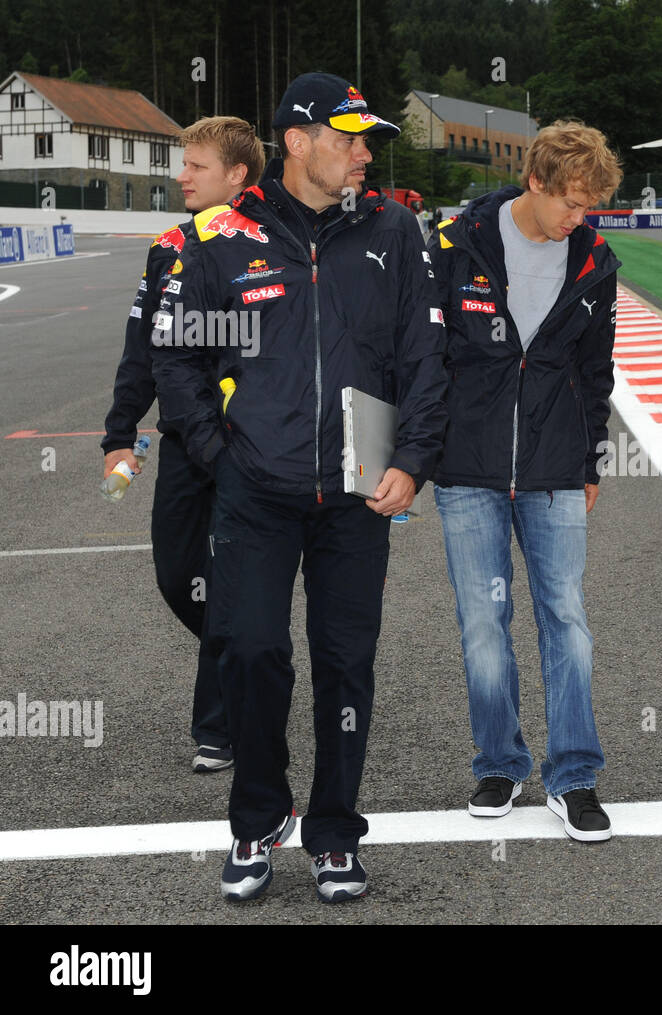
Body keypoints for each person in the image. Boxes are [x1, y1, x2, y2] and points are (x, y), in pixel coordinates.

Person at [153, 72, 447, 901]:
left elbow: (426, 359)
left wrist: (412, 458)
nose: (363, 153)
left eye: (366, 141)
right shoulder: (219, 235)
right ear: (296, 141)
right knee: (248, 649)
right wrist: (218, 450)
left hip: (360, 489)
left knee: (347, 663)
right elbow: (176, 356)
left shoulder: (396, 231)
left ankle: (334, 831)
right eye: (348, 138)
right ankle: (257, 816)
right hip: (256, 486)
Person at [430, 121, 622, 842]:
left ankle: (573, 774)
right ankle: (500, 761)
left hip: (554, 472)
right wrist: (418, 455)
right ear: (535, 182)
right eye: (572, 202)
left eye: (591, 207)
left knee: (566, 620)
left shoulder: (596, 262)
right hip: (468, 470)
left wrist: (590, 459)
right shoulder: (455, 244)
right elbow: (423, 355)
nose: (581, 218)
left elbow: (595, 375)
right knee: (484, 626)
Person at [102, 116, 265, 774]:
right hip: (181, 441)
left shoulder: (271, 240)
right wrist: (118, 434)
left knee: (230, 574)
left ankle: (219, 723)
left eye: (195, 165)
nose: (181, 175)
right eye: (183, 163)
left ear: (237, 175)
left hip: (250, 444)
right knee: (178, 575)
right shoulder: (167, 245)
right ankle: (252, 657)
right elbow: (142, 348)